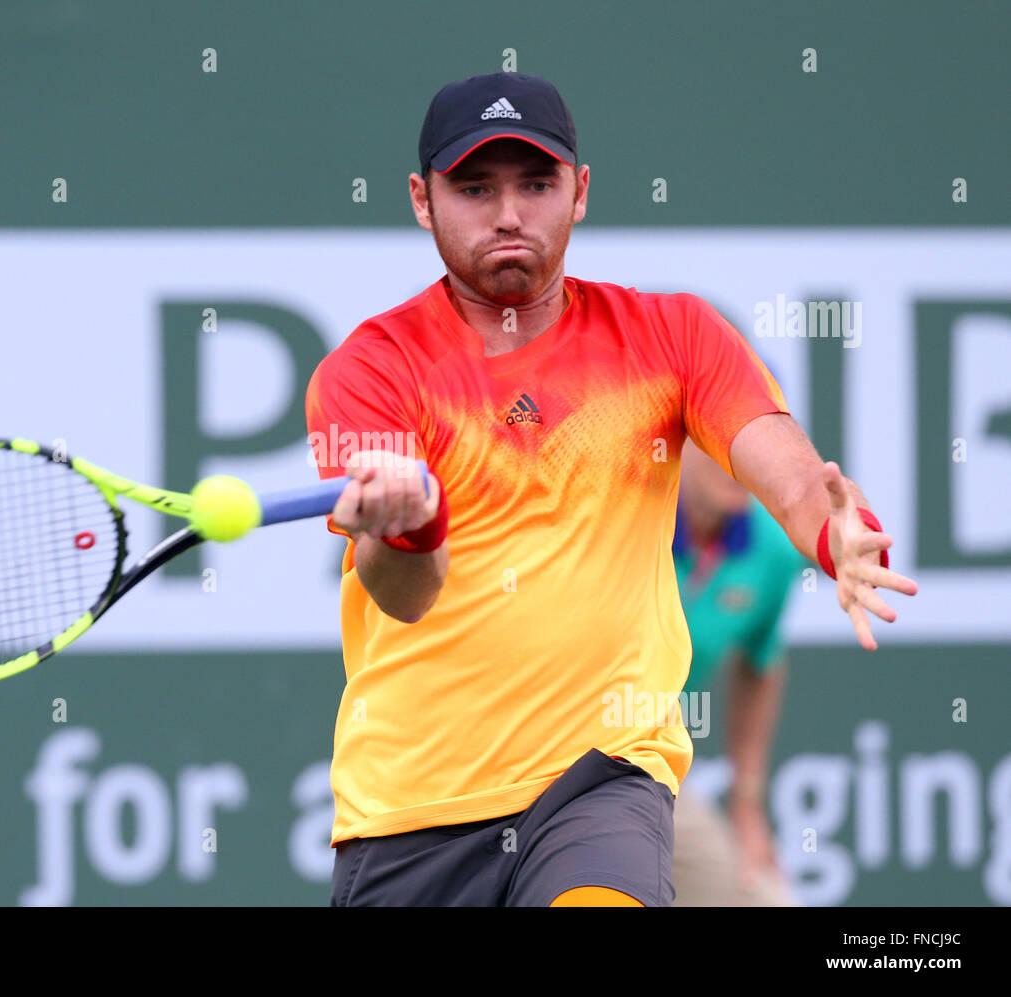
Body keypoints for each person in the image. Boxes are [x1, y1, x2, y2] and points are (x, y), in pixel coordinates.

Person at [303, 71, 917, 907]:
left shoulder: (675, 336)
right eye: (476, 188)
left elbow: (785, 465)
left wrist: (834, 530)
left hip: (600, 779)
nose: (510, 212)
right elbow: (403, 593)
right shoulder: (368, 371)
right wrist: (410, 526)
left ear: (580, 192)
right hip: (412, 808)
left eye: (537, 184)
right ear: (422, 199)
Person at [671, 436, 805, 906]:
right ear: (679, 441)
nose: (740, 466)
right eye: (721, 441)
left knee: (764, 900)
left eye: (756, 449)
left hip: (645, 769)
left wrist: (747, 805)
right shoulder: (619, 516)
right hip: (539, 752)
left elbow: (760, 663)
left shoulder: (772, 550)